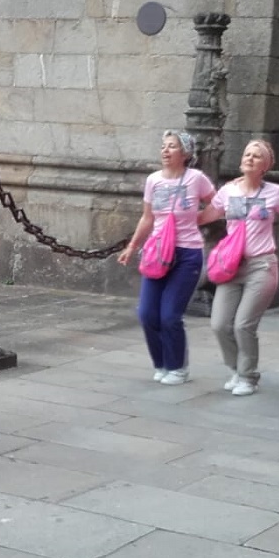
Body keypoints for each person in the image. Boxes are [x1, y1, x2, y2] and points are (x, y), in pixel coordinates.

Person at [198, 140, 279, 396]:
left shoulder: (274, 193)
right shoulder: (228, 191)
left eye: (257, 156)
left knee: (243, 324)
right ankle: (236, 369)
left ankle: (248, 376)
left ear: (265, 166)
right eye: (247, 154)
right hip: (231, 266)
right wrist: (174, 216)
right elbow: (206, 216)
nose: (250, 159)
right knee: (219, 324)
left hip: (261, 265)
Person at [118, 130, 215, 385]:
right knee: (147, 313)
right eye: (163, 146)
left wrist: (201, 218)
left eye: (171, 147)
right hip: (158, 252)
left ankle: (178, 367)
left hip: (187, 253)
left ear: (185, 153)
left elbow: (218, 204)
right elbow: (147, 217)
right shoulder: (153, 181)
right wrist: (132, 245)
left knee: (170, 315)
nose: (165, 151)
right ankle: (161, 363)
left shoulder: (196, 179)